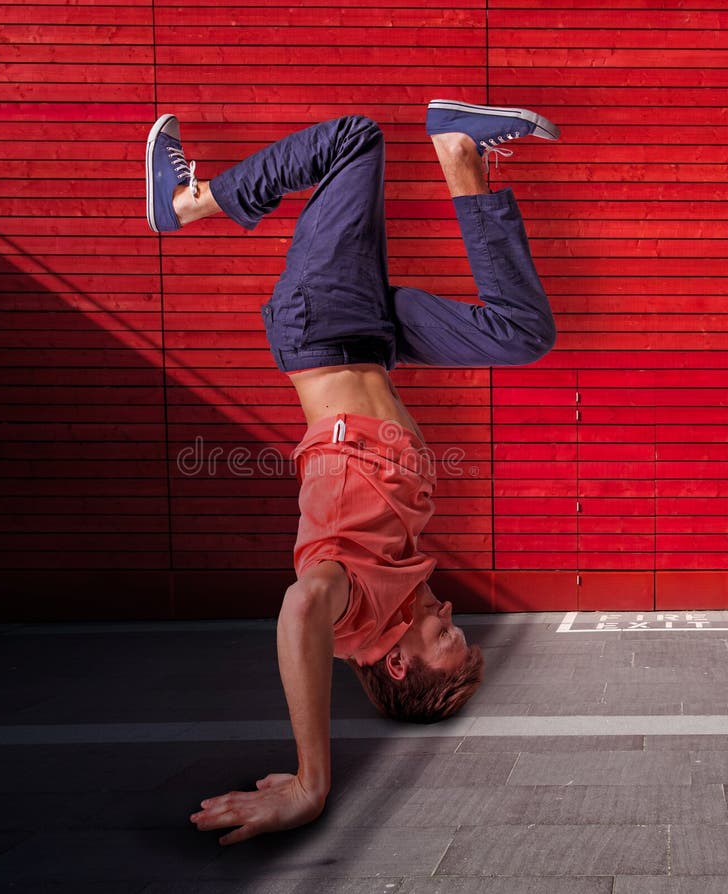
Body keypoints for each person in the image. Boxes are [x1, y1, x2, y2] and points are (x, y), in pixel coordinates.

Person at [145, 99, 559, 845]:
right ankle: (463, 156)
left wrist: (312, 781)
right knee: (522, 333)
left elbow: (300, 608)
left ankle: (185, 203)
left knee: (353, 140)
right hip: (371, 337)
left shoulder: (353, 610)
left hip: (324, 325)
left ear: (397, 665)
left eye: (444, 640)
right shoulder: (397, 575)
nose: (448, 618)